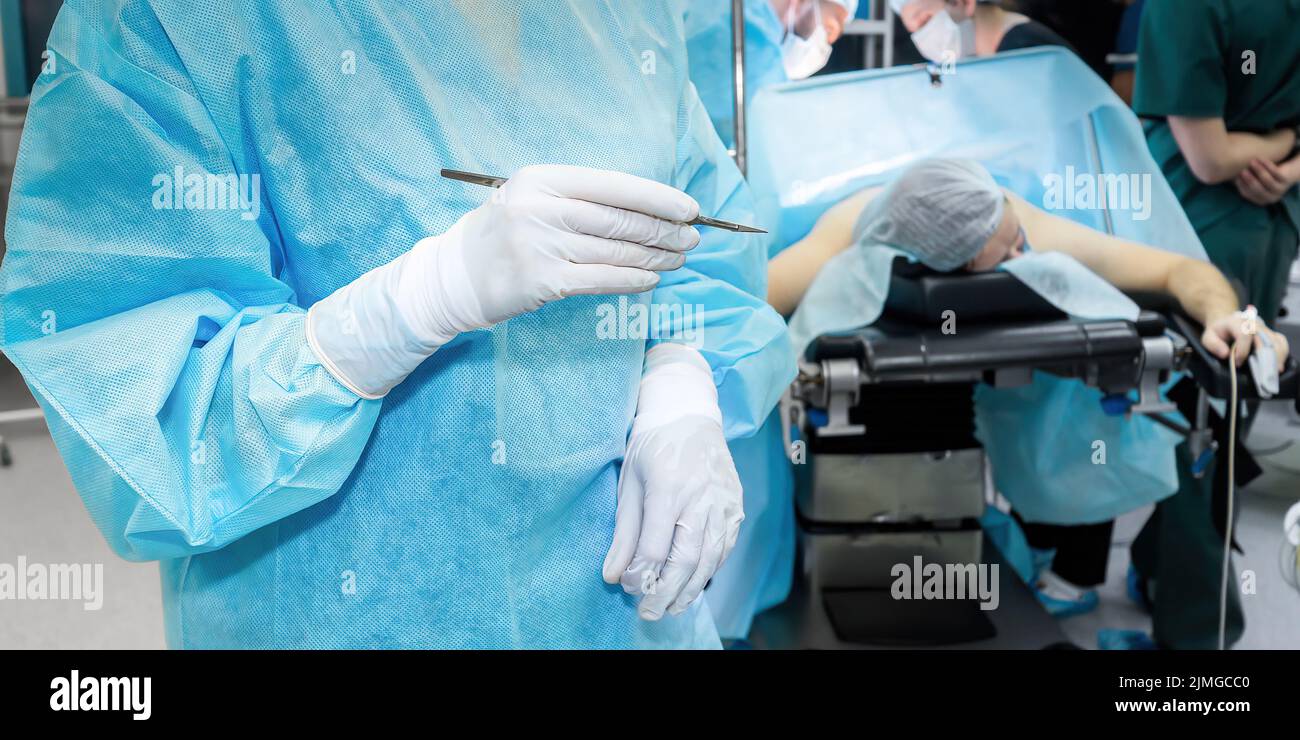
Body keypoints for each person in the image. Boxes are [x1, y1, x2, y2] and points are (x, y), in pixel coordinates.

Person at [0, 0, 794, 648]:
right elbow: (152, 418)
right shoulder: (171, 22)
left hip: (622, 621)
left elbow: (701, 236)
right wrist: (410, 306)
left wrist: (682, 382)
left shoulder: (626, 20)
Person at [769, 160, 1289, 623]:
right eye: (1010, 252)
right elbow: (751, 299)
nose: (1025, 251)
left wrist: (1230, 316)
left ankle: (1064, 561)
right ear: (962, 269)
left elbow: (1181, 270)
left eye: (1017, 238)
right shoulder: (843, 231)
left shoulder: (1015, 217)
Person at [1126, 0, 1300, 649]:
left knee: (1197, 441)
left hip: (1197, 232)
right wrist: (1288, 152)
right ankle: (1155, 565)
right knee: (1225, 424)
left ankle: (1198, 643)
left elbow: (1209, 159)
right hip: (1270, 224)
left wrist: (1257, 152)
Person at [683, 0, 856, 641]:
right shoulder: (716, 34)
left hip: (734, 281)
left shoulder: (757, 56)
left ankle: (724, 607)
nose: (833, 31)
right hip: (700, 280)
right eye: (831, 11)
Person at [889, 0, 1072, 63]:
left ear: (964, 3)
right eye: (915, 32)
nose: (923, 38)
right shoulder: (993, 56)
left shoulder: (1026, 50)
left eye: (925, 21)